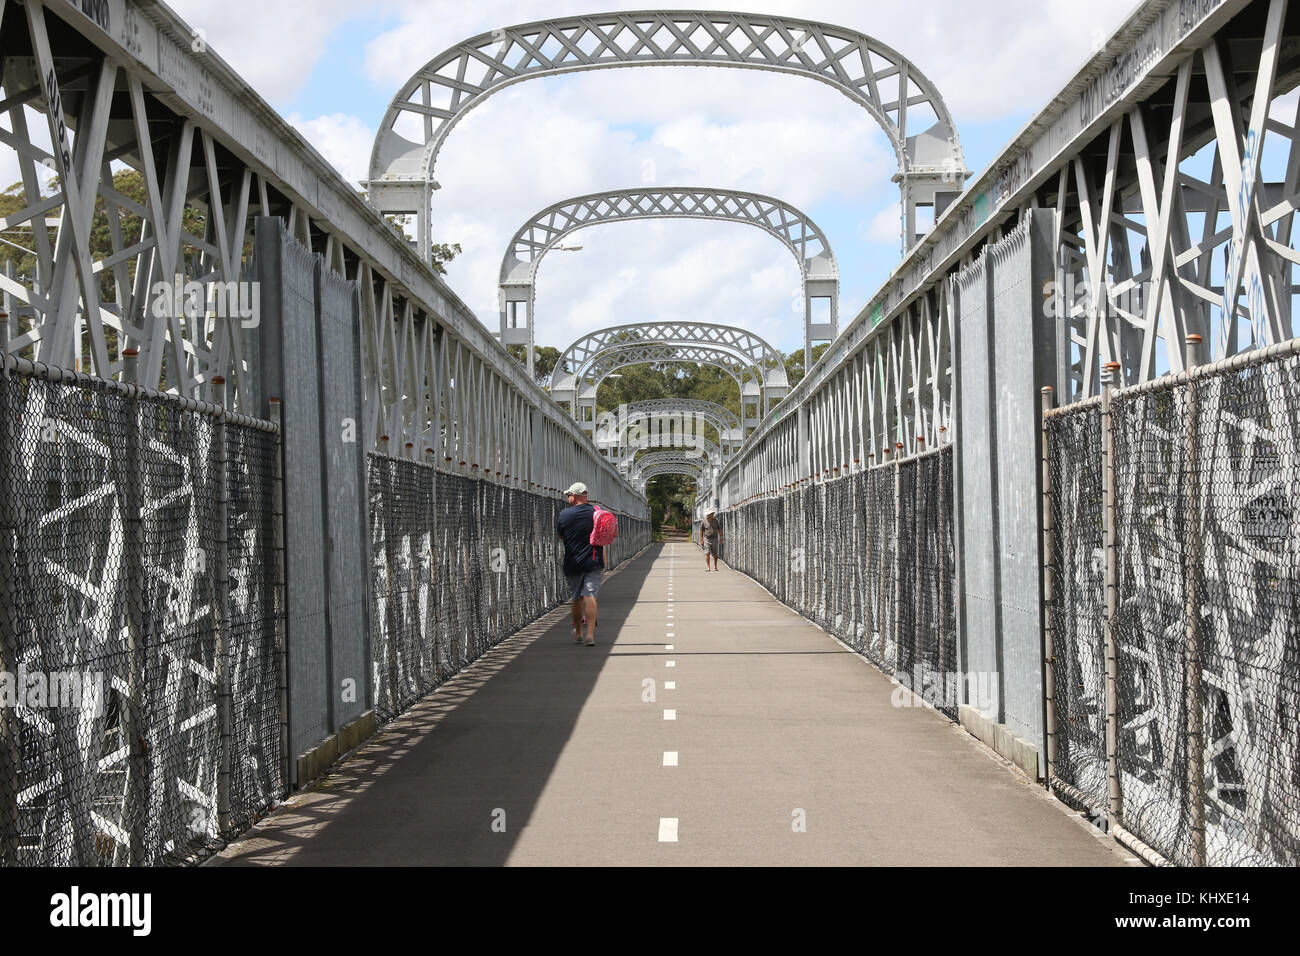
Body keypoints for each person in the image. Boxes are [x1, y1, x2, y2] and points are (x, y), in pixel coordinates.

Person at [556, 482, 604, 645]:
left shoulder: (564, 515)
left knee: (576, 598)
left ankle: (578, 632)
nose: (568, 497)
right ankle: (590, 635)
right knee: (590, 595)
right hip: (593, 560)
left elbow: (561, 536)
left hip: (573, 562)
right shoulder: (597, 513)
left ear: (575, 496)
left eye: (569, 495)